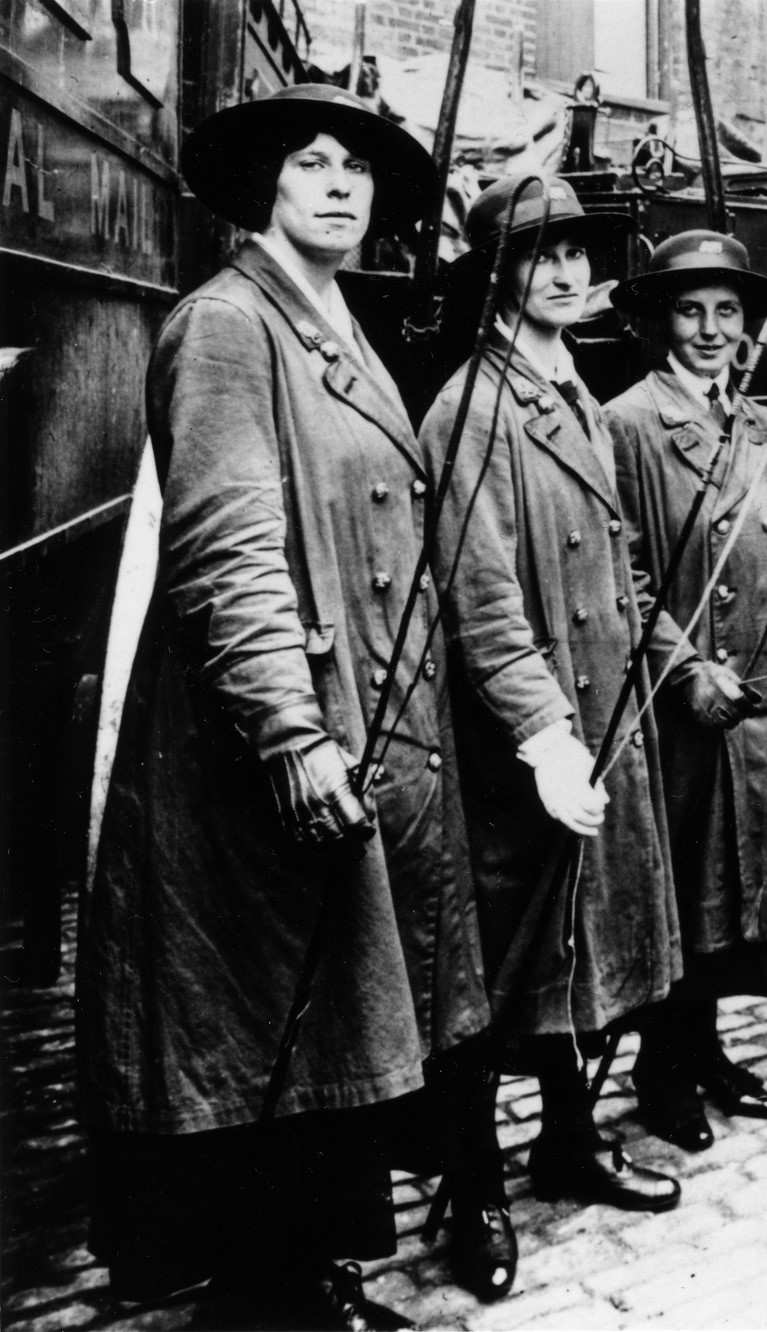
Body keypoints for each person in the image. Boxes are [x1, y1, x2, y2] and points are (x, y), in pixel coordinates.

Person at [80, 84, 474, 1327]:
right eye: (313, 164)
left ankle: (304, 1275)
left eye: (357, 169)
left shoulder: (334, 322)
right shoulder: (226, 324)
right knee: (264, 1013)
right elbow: (226, 545)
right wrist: (290, 732)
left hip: (350, 707)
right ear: (266, 187)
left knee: (318, 1012)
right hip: (251, 737)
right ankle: (260, 1297)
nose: (341, 186)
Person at [422, 174, 689, 1216]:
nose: (570, 270)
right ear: (498, 273)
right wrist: (543, 738)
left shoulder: (573, 388)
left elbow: (615, 556)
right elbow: (480, 598)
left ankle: (567, 1148)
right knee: (503, 964)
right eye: (543, 253)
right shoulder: (471, 409)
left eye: (578, 250)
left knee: (573, 952)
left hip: (601, 710)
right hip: (522, 737)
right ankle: (476, 1188)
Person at [602, 231, 767, 1149]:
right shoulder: (628, 422)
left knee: (738, 900)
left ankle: (705, 1055)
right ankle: (662, 1071)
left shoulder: (758, 421)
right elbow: (614, 573)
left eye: (727, 313)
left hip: (766, 697)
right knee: (688, 897)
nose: (710, 330)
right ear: (661, 319)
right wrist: (682, 666)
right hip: (690, 705)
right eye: (691, 310)